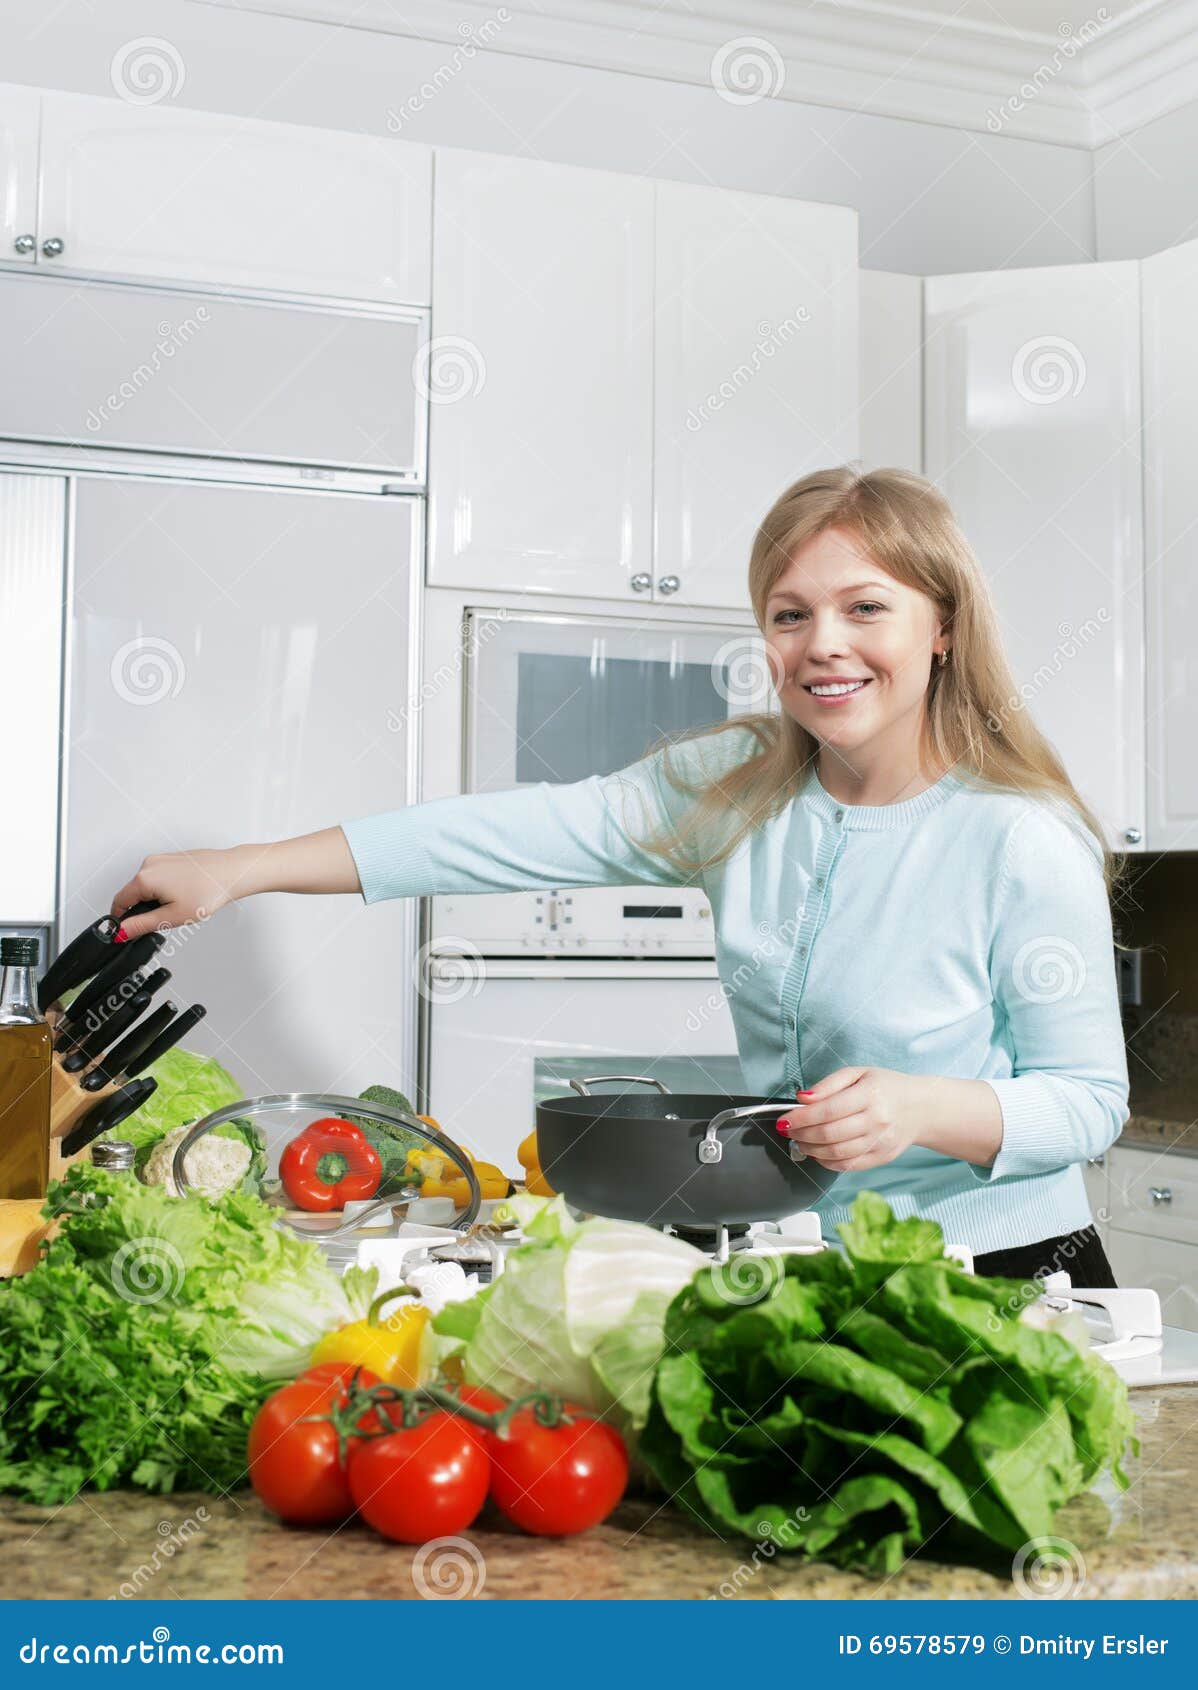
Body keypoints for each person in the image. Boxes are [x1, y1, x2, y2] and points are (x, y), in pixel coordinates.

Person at [110, 466, 1128, 1287]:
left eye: (866, 608)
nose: (824, 645)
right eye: (789, 615)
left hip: (1009, 1275)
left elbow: (1089, 1102)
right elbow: (491, 835)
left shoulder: (1019, 837)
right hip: (817, 1263)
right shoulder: (732, 790)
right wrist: (239, 869)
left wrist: (923, 1108)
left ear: (942, 626)